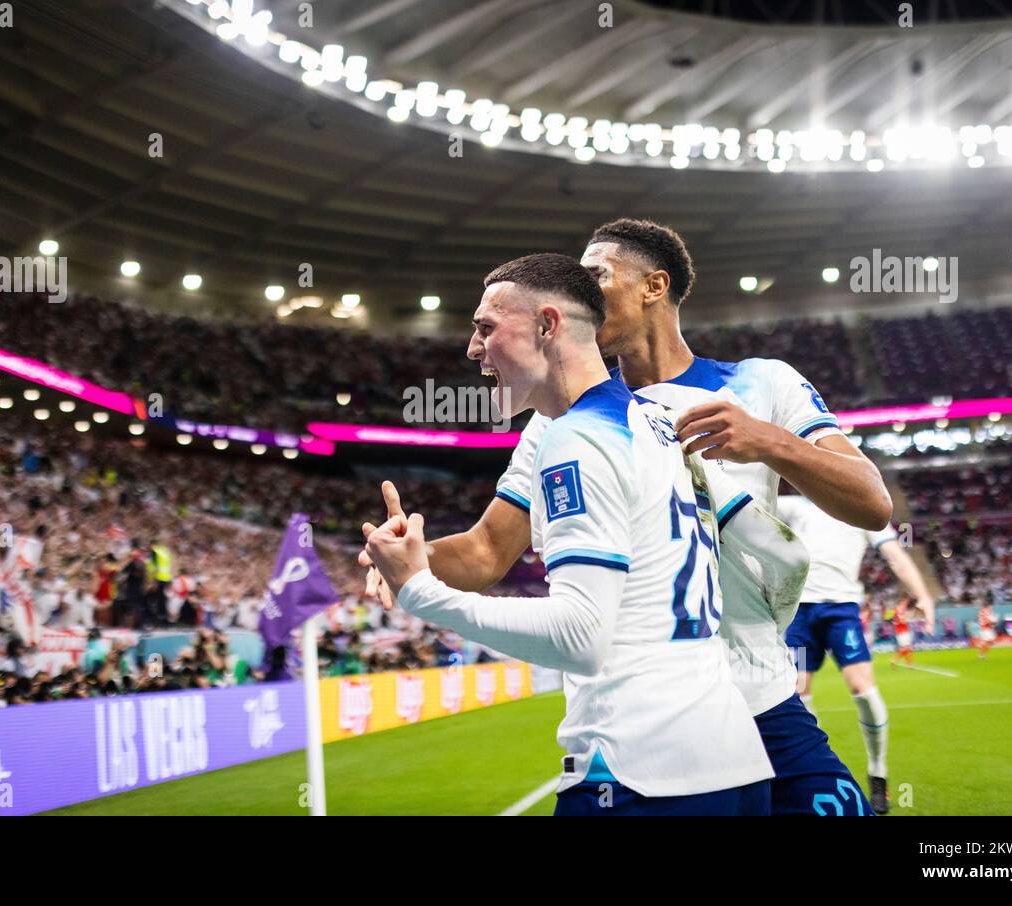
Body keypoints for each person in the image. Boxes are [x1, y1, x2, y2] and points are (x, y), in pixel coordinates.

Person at [364, 221, 885, 816]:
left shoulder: (759, 383)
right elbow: (486, 553)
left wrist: (771, 443)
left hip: (759, 693)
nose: (582, 290)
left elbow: (872, 503)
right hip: (658, 713)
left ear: (654, 286)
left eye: (597, 276)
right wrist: (411, 559)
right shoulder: (560, 422)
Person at [774, 492, 935, 814]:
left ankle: (878, 771)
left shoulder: (861, 507)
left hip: (841, 611)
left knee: (862, 687)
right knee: (797, 694)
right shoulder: (797, 506)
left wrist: (923, 595)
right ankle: (814, 773)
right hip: (798, 614)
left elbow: (896, 556)